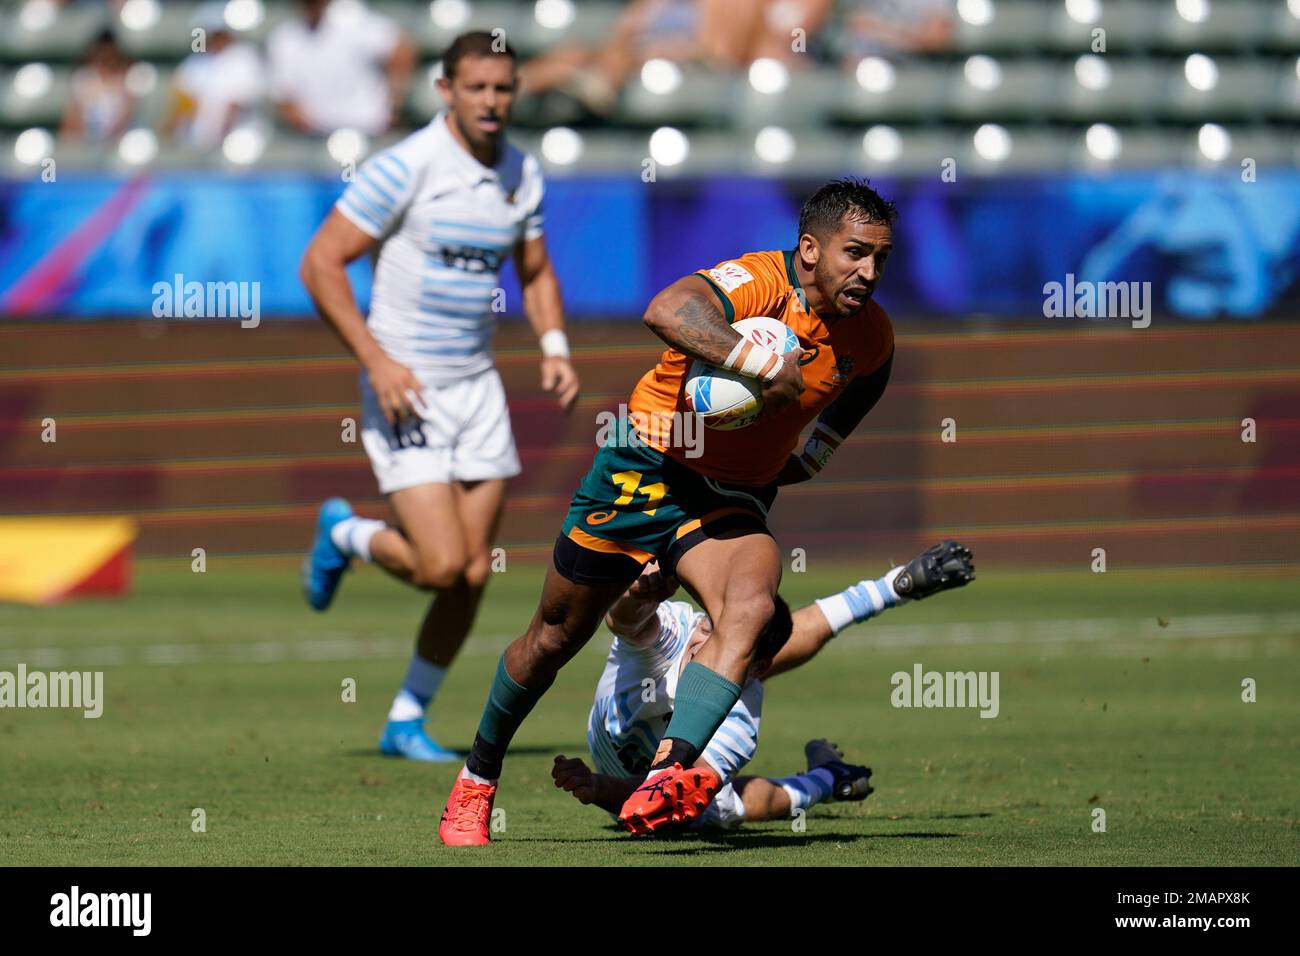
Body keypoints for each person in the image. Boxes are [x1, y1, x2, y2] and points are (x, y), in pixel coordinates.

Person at [439, 177, 904, 846]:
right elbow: (666, 308)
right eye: (855, 253)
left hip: (731, 498)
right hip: (647, 465)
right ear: (809, 248)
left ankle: (669, 770)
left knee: (749, 608)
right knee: (553, 638)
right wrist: (751, 358)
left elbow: (871, 376)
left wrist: (820, 450)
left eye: (881, 258)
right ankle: (476, 782)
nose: (869, 271)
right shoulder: (758, 282)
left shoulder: (872, 335)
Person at [298, 32, 579, 763]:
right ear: (446, 90)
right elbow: (322, 262)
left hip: (477, 386)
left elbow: (537, 270)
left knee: (475, 573)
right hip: (408, 385)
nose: (492, 102)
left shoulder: (521, 173)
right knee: (439, 566)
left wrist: (553, 348)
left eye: (504, 88)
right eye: (477, 87)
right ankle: (345, 534)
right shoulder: (407, 168)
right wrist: (377, 361)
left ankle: (404, 718)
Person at [551, 543, 974, 832]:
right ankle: (890, 587)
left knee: (721, 809)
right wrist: (639, 593)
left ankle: (828, 780)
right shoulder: (673, 631)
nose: (703, 638)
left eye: (719, 635)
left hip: (643, 777)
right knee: (746, 642)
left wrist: (600, 788)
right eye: (709, 623)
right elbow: (624, 621)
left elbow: (671, 797)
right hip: (613, 740)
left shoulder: (740, 724)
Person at [268, 0, 416, 136]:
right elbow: (284, 95)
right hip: (316, 138)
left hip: (367, 130)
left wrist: (394, 104)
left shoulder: (352, 20)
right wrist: (304, 124)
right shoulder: (284, 38)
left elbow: (401, 49)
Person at [160, 5, 265, 148]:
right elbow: (181, 108)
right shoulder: (193, 64)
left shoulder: (244, 58)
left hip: (236, 145)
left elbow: (236, 106)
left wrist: (217, 143)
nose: (213, 38)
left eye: (218, 33)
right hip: (196, 147)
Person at [60, 30, 137, 144]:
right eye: (102, 51)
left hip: (117, 142)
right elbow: (72, 118)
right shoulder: (82, 78)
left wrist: (109, 138)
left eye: (109, 51)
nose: (105, 55)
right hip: (85, 143)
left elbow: (128, 114)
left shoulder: (128, 79)